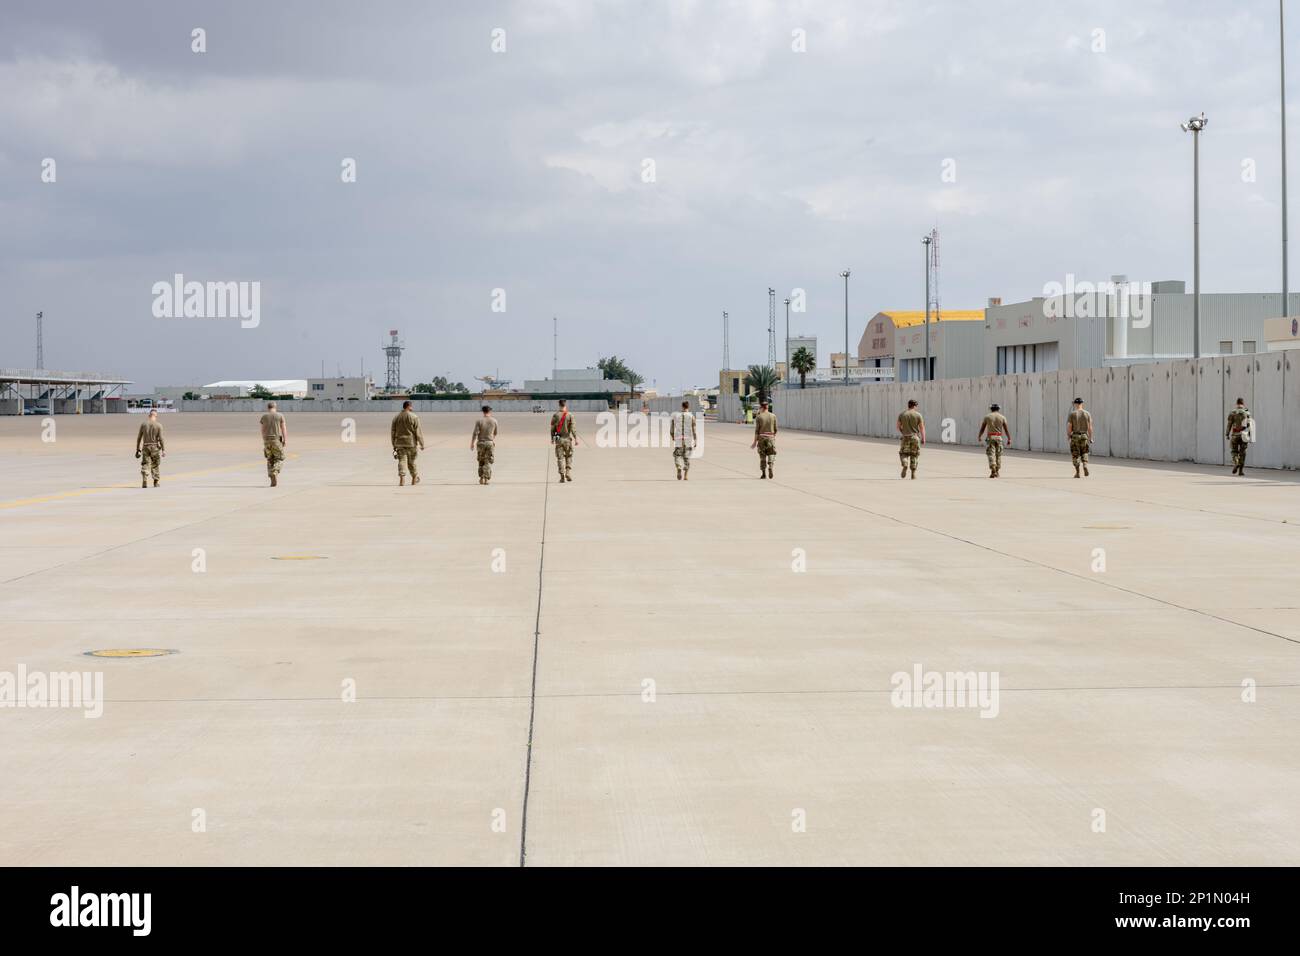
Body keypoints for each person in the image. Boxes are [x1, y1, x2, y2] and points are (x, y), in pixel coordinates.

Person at [391, 400, 425, 486]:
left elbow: (393, 432)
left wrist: (394, 444)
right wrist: (422, 444)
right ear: (409, 406)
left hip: (399, 443)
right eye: (411, 406)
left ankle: (402, 478)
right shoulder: (414, 417)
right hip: (411, 443)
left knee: (402, 461)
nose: (412, 408)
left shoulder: (396, 417)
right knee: (412, 462)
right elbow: (418, 432)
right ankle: (414, 478)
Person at [977, 403, 1011, 478]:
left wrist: (979, 436)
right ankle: (997, 471)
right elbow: (1006, 430)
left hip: (990, 437)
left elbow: (982, 428)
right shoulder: (1002, 417)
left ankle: (993, 470)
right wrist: (1009, 438)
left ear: (991, 409)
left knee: (991, 454)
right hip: (999, 438)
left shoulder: (987, 417)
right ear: (998, 409)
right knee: (998, 454)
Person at [134, 409, 166, 488]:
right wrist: (163, 450)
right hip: (155, 447)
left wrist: (138, 449)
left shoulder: (144, 424)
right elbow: (161, 438)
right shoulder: (159, 425)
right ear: (156, 416)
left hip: (145, 446)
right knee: (155, 464)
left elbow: (139, 438)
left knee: (145, 463)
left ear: (149, 415)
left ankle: (145, 477)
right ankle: (156, 481)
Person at [550, 399, 579, 482]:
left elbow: (552, 429)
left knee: (560, 458)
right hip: (567, 439)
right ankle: (568, 473)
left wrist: (552, 439)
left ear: (559, 405)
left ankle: (562, 476)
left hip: (559, 439)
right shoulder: (570, 415)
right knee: (568, 456)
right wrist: (576, 439)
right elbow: (573, 429)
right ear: (565, 405)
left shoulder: (555, 415)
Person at [259, 401, 287, 487]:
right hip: (276, 440)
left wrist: (264, 440)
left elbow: (262, 430)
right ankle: (274, 472)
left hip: (267, 440)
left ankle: (271, 477)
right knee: (279, 458)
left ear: (268, 408)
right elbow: (283, 429)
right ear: (275, 407)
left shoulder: (264, 417)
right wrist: (285, 440)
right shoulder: (280, 415)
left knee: (270, 459)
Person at [896, 399, 925, 479]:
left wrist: (903, 432)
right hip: (915, 437)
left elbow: (898, 427)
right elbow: (922, 428)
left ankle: (905, 464)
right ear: (915, 406)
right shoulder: (918, 415)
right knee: (914, 455)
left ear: (908, 405)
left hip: (905, 437)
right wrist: (923, 438)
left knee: (903, 453)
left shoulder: (902, 414)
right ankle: (913, 473)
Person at [1066, 397, 1094, 478]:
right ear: (1082, 403)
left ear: (1075, 404)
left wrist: (1068, 436)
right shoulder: (1087, 414)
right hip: (1084, 436)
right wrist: (1091, 437)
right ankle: (1085, 465)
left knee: (1075, 454)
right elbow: (1090, 427)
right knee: (1084, 452)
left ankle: (1078, 472)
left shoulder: (1072, 414)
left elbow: (1069, 426)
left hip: (1075, 436)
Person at [669, 401, 697, 480]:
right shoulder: (692, 416)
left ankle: (678, 467)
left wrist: (673, 436)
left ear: (682, 406)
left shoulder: (675, 416)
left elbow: (671, 429)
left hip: (678, 440)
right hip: (688, 440)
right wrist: (695, 440)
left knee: (677, 456)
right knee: (687, 458)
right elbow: (694, 430)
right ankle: (686, 475)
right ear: (688, 407)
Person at [471, 405, 498, 485]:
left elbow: (475, 433)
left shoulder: (479, 421)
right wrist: (491, 440)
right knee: (488, 461)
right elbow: (495, 433)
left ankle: (481, 478)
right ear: (490, 411)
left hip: (481, 443)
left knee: (481, 460)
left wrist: (472, 443)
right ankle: (486, 479)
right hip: (489, 442)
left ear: (483, 411)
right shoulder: (494, 421)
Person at [751, 400, 778, 479]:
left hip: (762, 438)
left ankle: (763, 474)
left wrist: (754, 442)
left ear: (761, 408)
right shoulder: (773, 416)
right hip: (771, 437)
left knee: (762, 456)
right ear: (767, 407)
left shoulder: (759, 417)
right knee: (771, 453)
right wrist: (773, 436)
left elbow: (757, 431)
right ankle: (770, 466)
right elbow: (776, 429)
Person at [1226, 397, 1253, 476]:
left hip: (1235, 435)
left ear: (1237, 403)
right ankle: (1241, 471)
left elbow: (1229, 425)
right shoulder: (1247, 413)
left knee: (1234, 451)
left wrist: (1227, 434)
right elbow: (1250, 425)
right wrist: (1250, 436)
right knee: (1243, 453)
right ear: (1243, 403)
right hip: (1244, 435)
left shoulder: (1232, 412)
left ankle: (1236, 462)